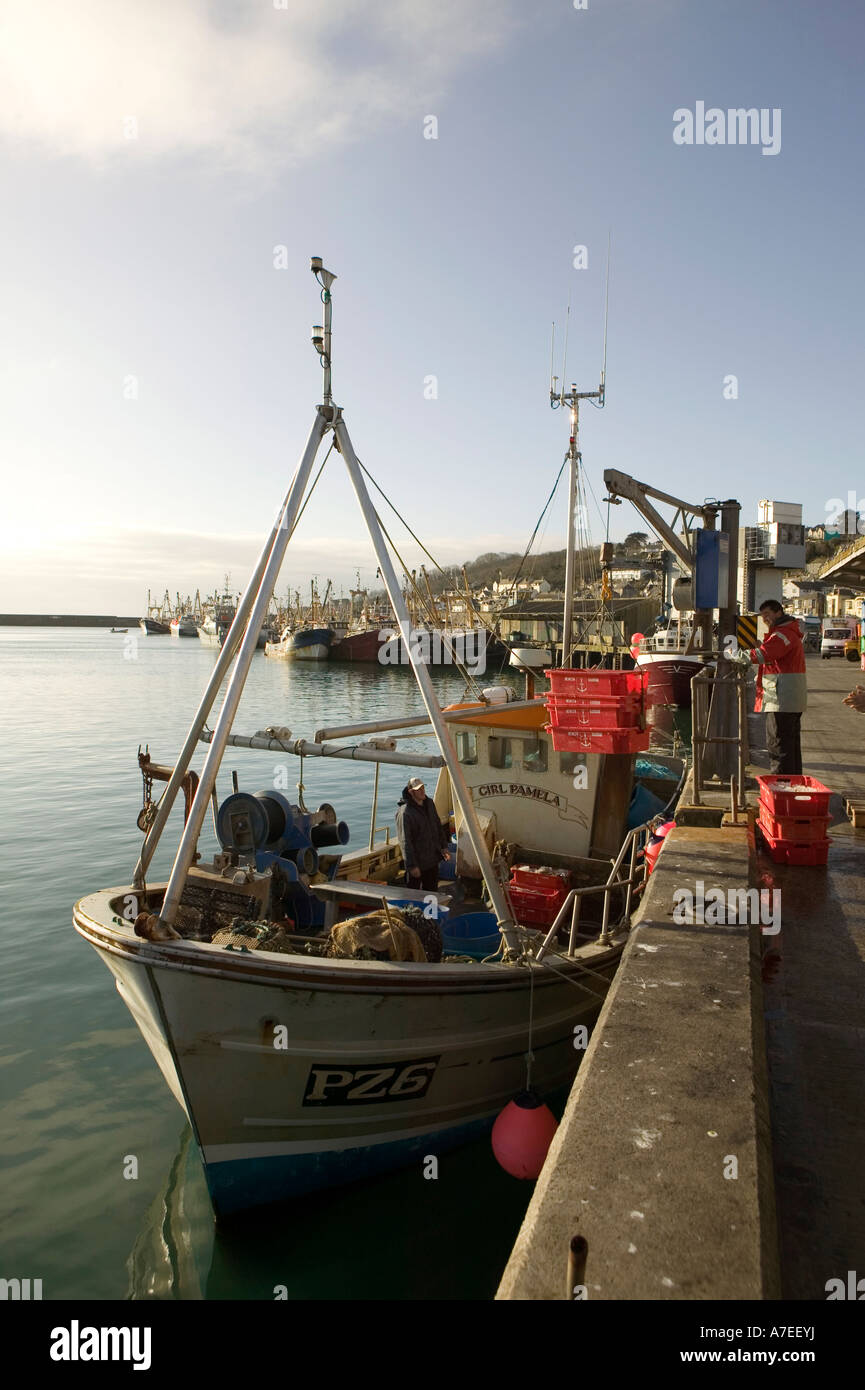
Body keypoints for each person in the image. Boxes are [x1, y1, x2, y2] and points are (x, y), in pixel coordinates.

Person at [726, 599, 807, 774]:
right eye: (763, 616)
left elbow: (763, 654)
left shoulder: (781, 635)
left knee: (778, 744)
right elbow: (772, 654)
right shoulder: (788, 632)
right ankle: (793, 783)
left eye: (768, 614)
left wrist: (734, 655)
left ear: (779, 612)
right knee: (790, 745)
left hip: (781, 698)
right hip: (791, 698)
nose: (765, 619)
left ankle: (781, 784)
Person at [395, 778, 450, 891]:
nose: (422, 791)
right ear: (411, 792)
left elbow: (437, 825)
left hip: (432, 859)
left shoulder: (429, 803)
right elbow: (405, 841)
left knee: (432, 892)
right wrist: (412, 866)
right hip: (417, 862)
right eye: (418, 789)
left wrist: (444, 847)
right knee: (413, 894)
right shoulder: (405, 813)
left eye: (423, 788)